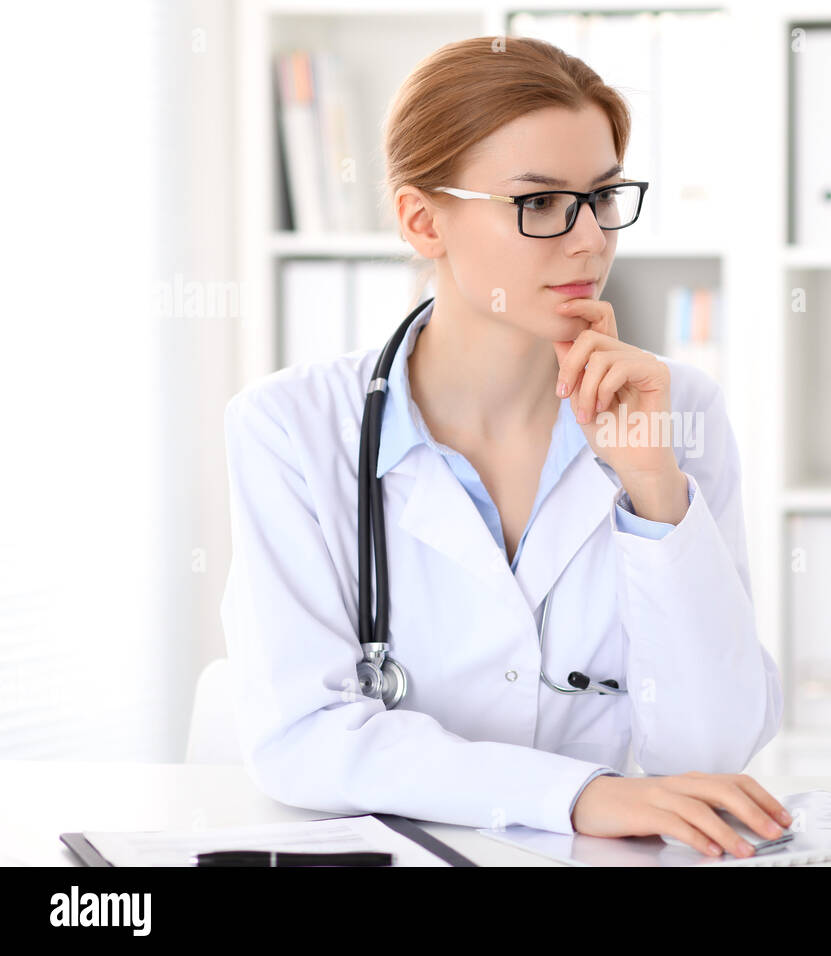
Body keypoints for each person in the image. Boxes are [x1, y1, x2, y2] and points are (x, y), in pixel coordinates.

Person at [220, 36, 787, 860]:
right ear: (424, 221)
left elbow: (709, 754)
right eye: (541, 203)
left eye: (603, 196)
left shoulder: (678, 409)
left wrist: (654, 492)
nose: (590, 240)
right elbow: (301, 737)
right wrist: (576, 794)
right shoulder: (289, 429)